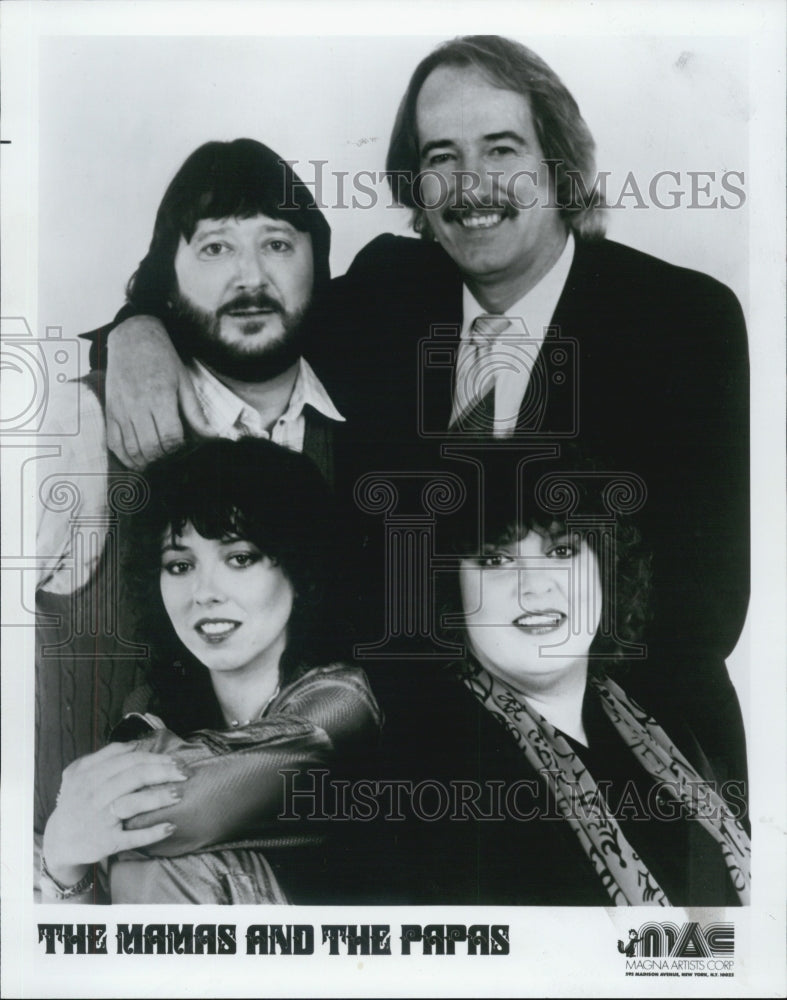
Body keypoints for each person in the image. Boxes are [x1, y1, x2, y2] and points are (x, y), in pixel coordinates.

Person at [86, 34, 749, 787]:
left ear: (559, 165)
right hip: (402, 768)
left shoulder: (679, 319)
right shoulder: (390, 293)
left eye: (500, 150)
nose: (470, 185)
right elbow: (249, 312)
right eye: (440, 157)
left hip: (635, 759)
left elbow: (705, 612)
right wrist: (133, 333)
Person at [35, 138, 348, 830]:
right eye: (214, 248)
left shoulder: (365, 440)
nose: (249, 276)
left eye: (276, 243)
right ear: (166, 278)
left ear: (318, 266)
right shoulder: (77, 423)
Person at [382, 451, 750, 906]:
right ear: (450, 594)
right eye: (495, 561)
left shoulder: (669, 722)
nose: (535, 586)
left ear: (605, 567)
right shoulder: (423, 781)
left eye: (561, 551)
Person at [38, 437, 381, 904]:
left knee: (166, 865)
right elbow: (91, 850)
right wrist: (63, 864)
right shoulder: (148, 707)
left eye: (239, 558)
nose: (204, 593)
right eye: (179, 565)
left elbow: (148, 817)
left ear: (301, 573)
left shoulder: (341, 702)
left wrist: (76, 824)